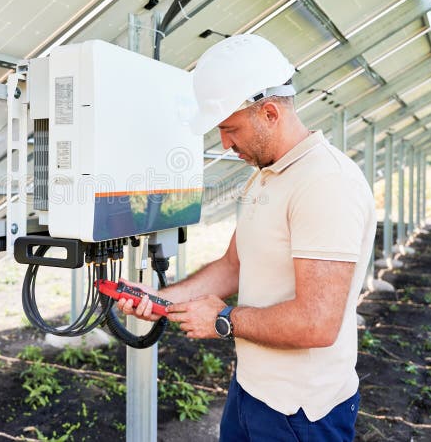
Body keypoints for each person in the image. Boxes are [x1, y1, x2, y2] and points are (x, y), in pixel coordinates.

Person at [117, 34, 376, 441]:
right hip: (251, 391)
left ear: (270, 113)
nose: (224, 143)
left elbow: (317, 323)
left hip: (300, 412)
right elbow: (233, 266)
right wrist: (161, 299)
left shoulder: (326, 183)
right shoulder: (265, 176)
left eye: (230, 128)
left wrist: (222, 320)